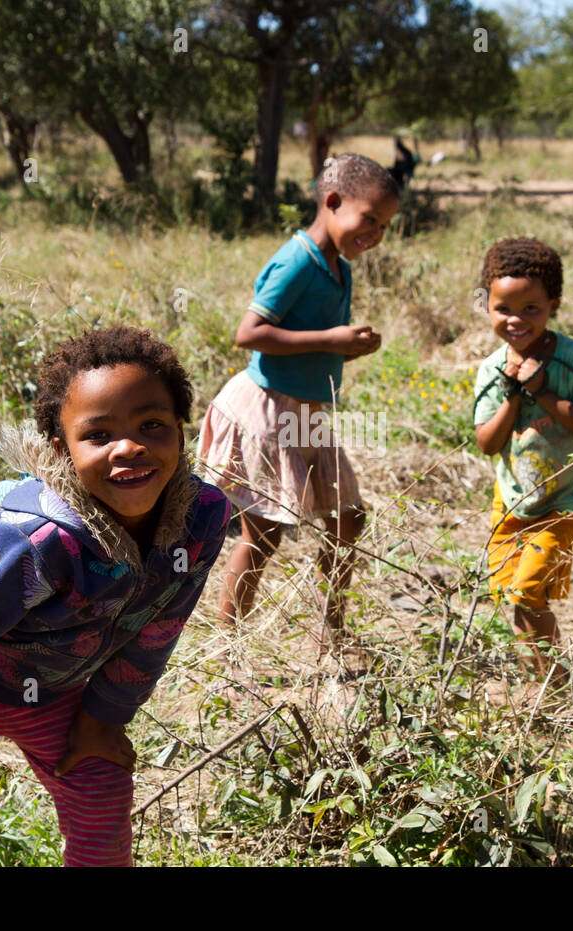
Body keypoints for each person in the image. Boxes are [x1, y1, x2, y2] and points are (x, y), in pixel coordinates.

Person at [0, 325, 231, 866]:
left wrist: (104, 717)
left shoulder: (201, 518)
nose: (129, 446)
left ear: (182, 432)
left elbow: (162, 625)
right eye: (99, 434)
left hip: (52, 675)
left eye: (151, 425)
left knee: (100, 793)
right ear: (61, 450)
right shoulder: (37, 541)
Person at [198, 153, 399, 671]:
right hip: (268, 411)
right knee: (261, 536)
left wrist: (346, 347)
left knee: (348, 519)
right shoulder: (297, 261)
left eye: (385, 226)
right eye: (370, 219)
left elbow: (316, 342)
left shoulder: (338, 267)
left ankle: (328, 634)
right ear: (332, 203)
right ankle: (228, 645)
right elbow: (250, 333)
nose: (376, 233)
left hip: (308, 415)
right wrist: (331, 338)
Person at [471, 237, 573, 687]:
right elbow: (488, 444)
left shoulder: (570, 358)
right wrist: (513, 396)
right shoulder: (492, 369)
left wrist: (543, 392)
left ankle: (551, 688)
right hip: (513, 500)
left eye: (531, 309)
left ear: (553, 305)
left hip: (568, 498)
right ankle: (543, 684)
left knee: (529, 592)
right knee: (516, 594)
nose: (516, 320)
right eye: (503, 309)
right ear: (488, 306)